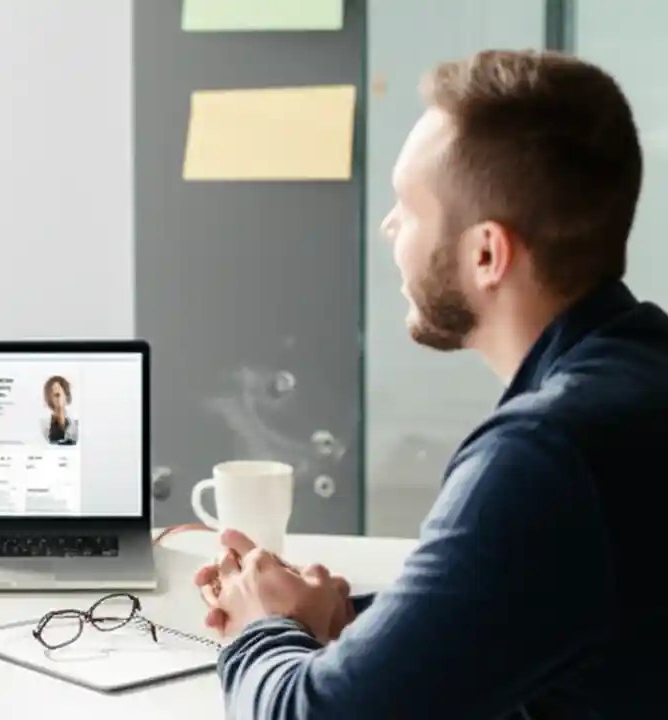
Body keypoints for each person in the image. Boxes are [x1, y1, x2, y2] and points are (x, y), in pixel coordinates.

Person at [193, 49, 666, 718]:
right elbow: (530, 604)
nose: (389, 225)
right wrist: (347, 618)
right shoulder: (640, 373)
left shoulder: (544, 454)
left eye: (407, 206)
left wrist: (255, 626)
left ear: (486, 254)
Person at [41, 375, 79, 445]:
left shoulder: (76, 424)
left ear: (66, 394)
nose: (57, 399)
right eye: (54, 395)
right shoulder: (44, 426)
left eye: (58, 394)